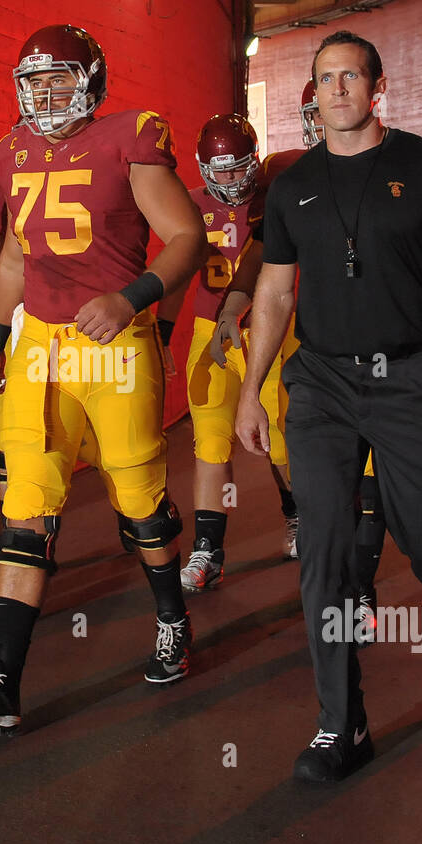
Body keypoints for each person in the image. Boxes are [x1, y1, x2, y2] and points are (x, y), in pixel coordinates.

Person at [236, 31, 422, 782]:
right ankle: (343, 724)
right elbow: (271, 292)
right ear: (314, 92)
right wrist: (250, 389)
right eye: (324, 79)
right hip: (321, 386)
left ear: (377, 85)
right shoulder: (291, 185)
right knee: (324, 555)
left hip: (406, 380)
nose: (337, 90)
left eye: (350, 77)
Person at [0, 24, 208, 734]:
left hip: (113, 346)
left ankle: (173, 622)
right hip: (39, 351)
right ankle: (2, 685)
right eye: (34, 81)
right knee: (25, 507)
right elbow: (16, 261)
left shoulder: (130, 136)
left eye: (60, 79)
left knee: (141, 502)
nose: (45, 94)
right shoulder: (11, 151)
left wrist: (131, 298)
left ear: (92, 81)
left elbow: (186, 237)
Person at [159, 116, 303, 592]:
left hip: (272, 330)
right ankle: (208, 548)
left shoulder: (275, 196)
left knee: (281, 437)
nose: (225, 179)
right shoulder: (190, 206)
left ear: (254, 163)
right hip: (211, 333)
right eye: (215, 170)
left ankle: (297, 514)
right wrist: (162, 333)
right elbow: (177, 276)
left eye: (235, 168)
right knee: (212, 440)